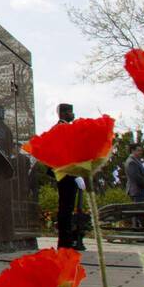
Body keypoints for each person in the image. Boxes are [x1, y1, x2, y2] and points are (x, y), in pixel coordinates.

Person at [53, 103, 86, 250]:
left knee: (66, 208)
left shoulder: (64, 128)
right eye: (70, 112)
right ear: (64, 113)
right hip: (66, 174)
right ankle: (65, 242)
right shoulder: (62, 128)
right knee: (65, 209)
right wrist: (74, 175)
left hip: (68, 173)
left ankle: (66, 241)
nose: (73, 115)